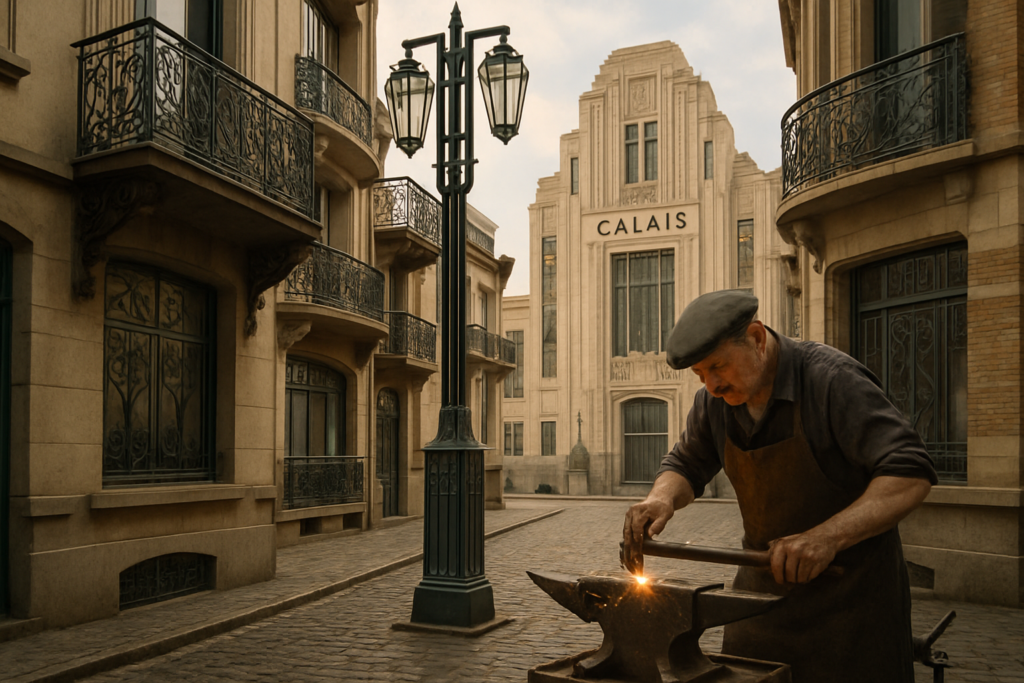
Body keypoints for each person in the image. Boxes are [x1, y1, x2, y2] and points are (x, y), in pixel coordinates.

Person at [622, 289, 936, 683]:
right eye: (700, 374)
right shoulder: (713, 403)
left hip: (852, 610)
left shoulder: (832, 381)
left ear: (756, 338)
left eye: (718, 366)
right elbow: (686, 464)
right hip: (759, 606)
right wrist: (660, 498)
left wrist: (827, 537)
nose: (712, 385)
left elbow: (910, 473)